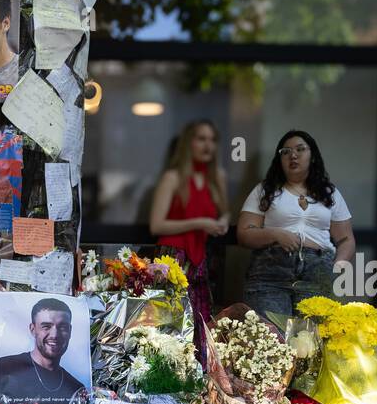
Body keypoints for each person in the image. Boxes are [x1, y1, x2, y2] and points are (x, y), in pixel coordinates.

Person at [237, 130, 356, 319]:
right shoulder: (265, 190)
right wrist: (276, 234)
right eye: (285, 152)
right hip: (271, 271)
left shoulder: (329, 193)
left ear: (313, 156)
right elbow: (244, 233)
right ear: (280, 160)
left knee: (311, 342)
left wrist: (337, 266)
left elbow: (346, 239)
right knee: (273, 339)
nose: (293, 155)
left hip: (318, 271)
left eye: (300, 149)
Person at [149, 120, 229, 346]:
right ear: (188, 143)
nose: (208, 145)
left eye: (212, 140)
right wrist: (199, 222)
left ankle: (197, 376)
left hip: (200, 259)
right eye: (201, 139)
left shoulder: (216, 178)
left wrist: (221, 222)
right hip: (173, 257)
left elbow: (224, 213)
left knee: (201, 322)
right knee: (170, 325)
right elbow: (157, 225)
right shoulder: (173, 178)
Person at [0, 297, 86, 404]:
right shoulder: (1, 368)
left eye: (62, 327)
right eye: (46, 326)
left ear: (70, 331)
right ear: (33, 329)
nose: (55, 335)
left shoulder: (77, 389)